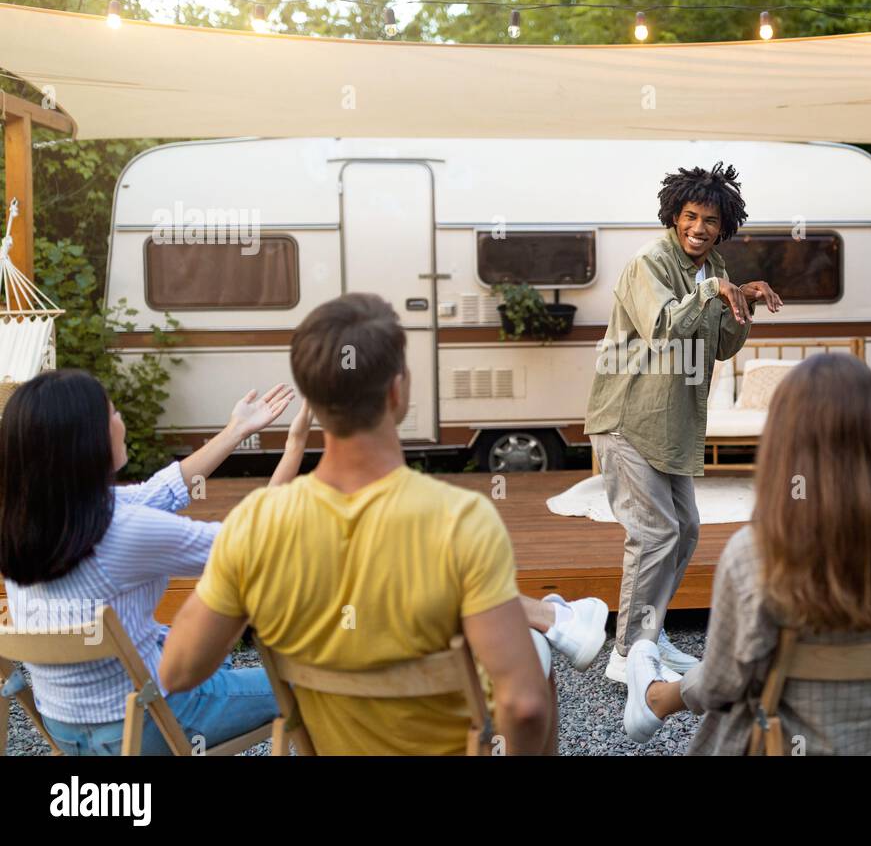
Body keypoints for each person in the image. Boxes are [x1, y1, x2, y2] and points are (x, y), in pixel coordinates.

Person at [160, 293, 608, 755]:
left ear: (310, 401)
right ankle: (557, 620)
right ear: (398, 392)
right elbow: (526, 707)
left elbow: (176, 672)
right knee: (533, 650)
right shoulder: (462, 520)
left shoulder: (256, 523)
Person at [621, 353, 871, 753]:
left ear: (783, 440)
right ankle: (656, 697)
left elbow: (723, 683)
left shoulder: (755, 552)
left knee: (734, 691)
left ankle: (655, 697)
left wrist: (675, 694)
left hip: (797, 745)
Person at [0, 369, 303, 755]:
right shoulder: (125, 530)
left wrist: (236, 430)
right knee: (311, 682)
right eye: (112, 414)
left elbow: (158, 491)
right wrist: (293, 450)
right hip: (151, 724)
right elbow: (248, 548)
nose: (121, 422)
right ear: (87, 440)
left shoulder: (25, 521)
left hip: (67, 732)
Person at [585, 162, 784, 685]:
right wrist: (713, 290)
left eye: (711, 220)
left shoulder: (711, 267)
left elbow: (719, 346)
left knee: (686, 530)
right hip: (628, 416)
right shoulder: (650, 262)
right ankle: (628, 654)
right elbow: (662, 331)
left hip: (669, 422)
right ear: (674, 215)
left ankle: (650, 637)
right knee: (654, 533)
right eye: (691, 216)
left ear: (725, 225)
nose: (699, 227)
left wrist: (746, 304)